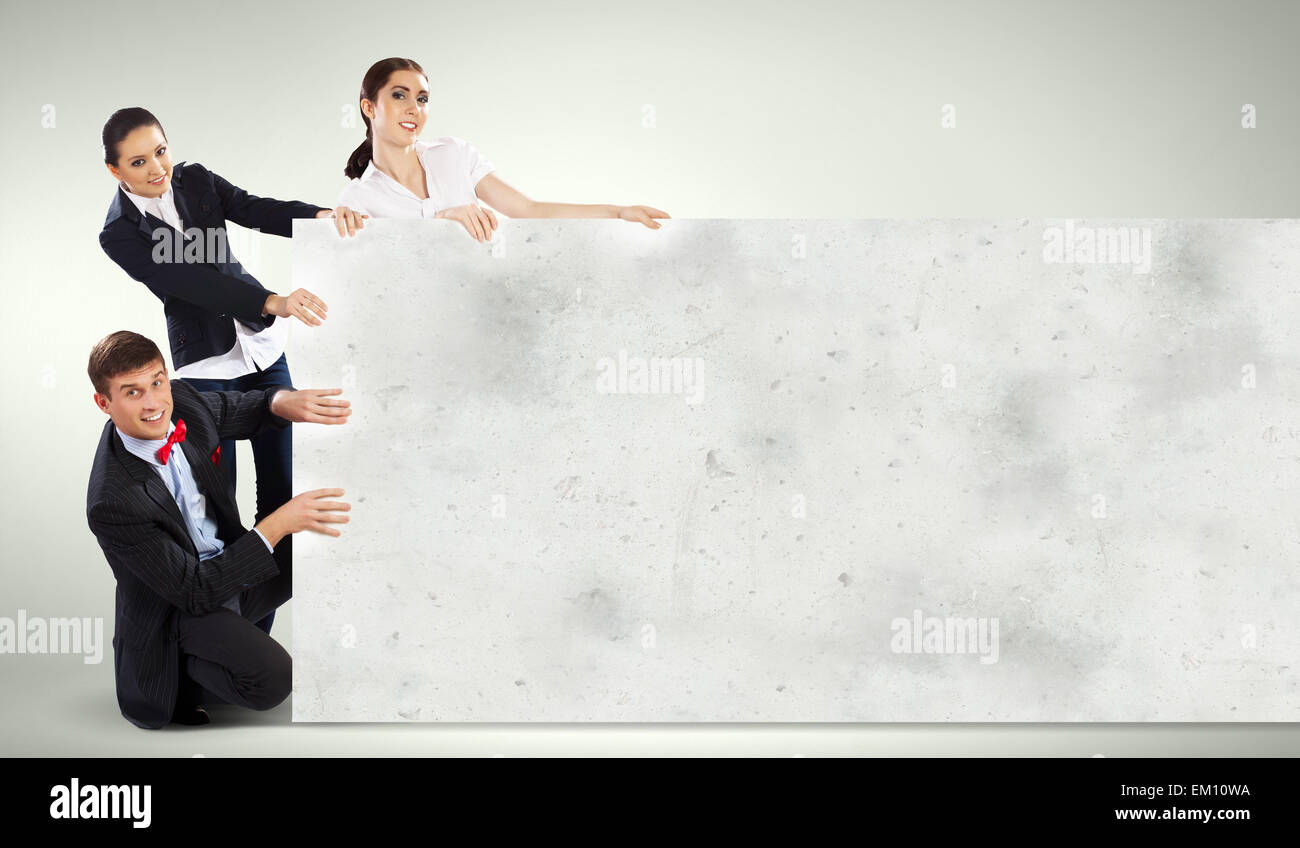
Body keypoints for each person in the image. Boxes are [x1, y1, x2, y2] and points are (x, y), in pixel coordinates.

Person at [99, 107, 368, 636]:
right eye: (138, 161)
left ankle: (253, 640)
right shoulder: (119, 235)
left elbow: (255, 209)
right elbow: (191, 282)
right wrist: (273, 300)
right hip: (205, 373)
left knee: (283, 497)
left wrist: (319, 218)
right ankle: (230, 644)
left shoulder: (195, 179)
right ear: (114, 171)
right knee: (220, 513)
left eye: (160, 150)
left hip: (265, 355)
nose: (157, 167)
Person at [85, 331, 353, 728]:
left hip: (228, 572)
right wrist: (277, 524)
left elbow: (233, 408)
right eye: (133, 392)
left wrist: (282, 401)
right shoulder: (113, 500)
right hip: (181, 610)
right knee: (274, 682)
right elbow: (195, 590)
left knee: (324, 536)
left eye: (157, 382)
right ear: (104, 403)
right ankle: (181, 675)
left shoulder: (183, 402)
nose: (154, 402)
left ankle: (233, 638)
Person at [338, 57, 671, 242]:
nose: (414, 108)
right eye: (399, 95)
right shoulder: (357, 200)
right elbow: (382, 278)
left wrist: (618, 212)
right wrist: (443, 221)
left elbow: (530, 210)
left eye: (422, 98)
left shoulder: (453, 154)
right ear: (369, 108)